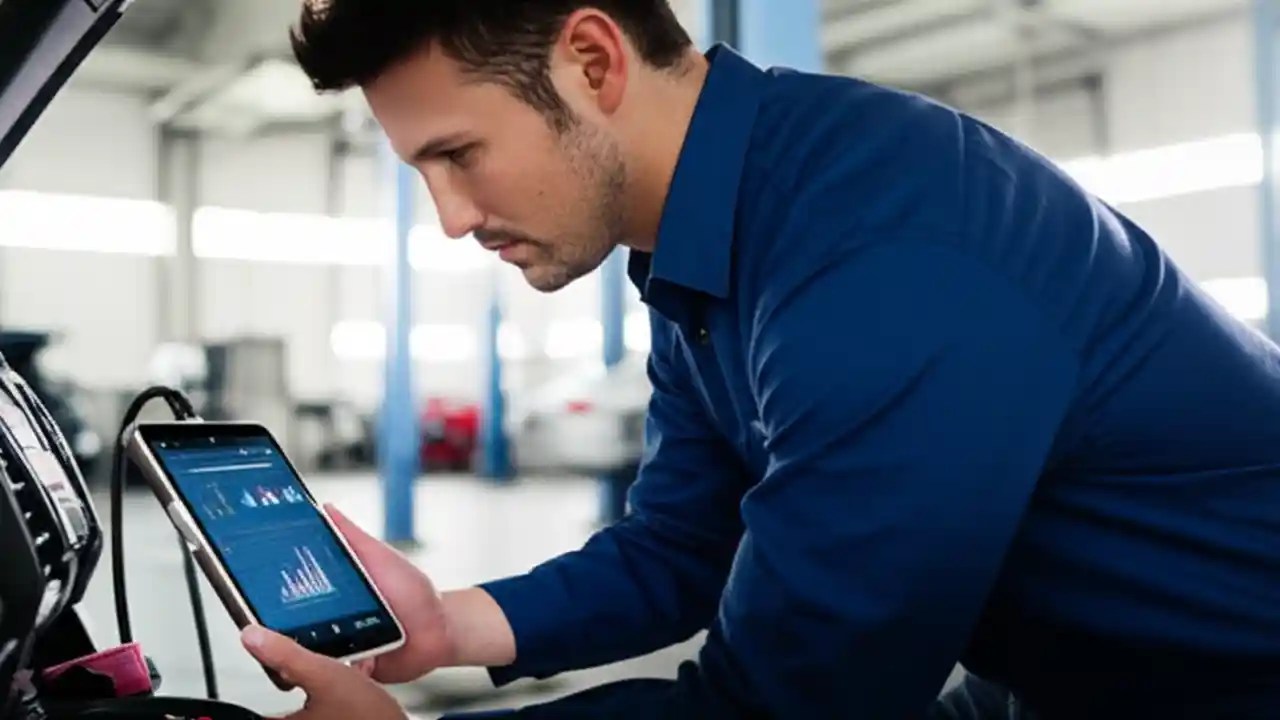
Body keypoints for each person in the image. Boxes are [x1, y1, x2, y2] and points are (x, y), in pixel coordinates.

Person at [240, 1, 1280, 718]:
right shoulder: (704, 244)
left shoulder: (878, 255)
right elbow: (683, 546)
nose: (453, 218)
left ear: (592, 61)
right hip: (1063, 680)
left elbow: (787, 707)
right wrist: (449, 625)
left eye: (458, 155)